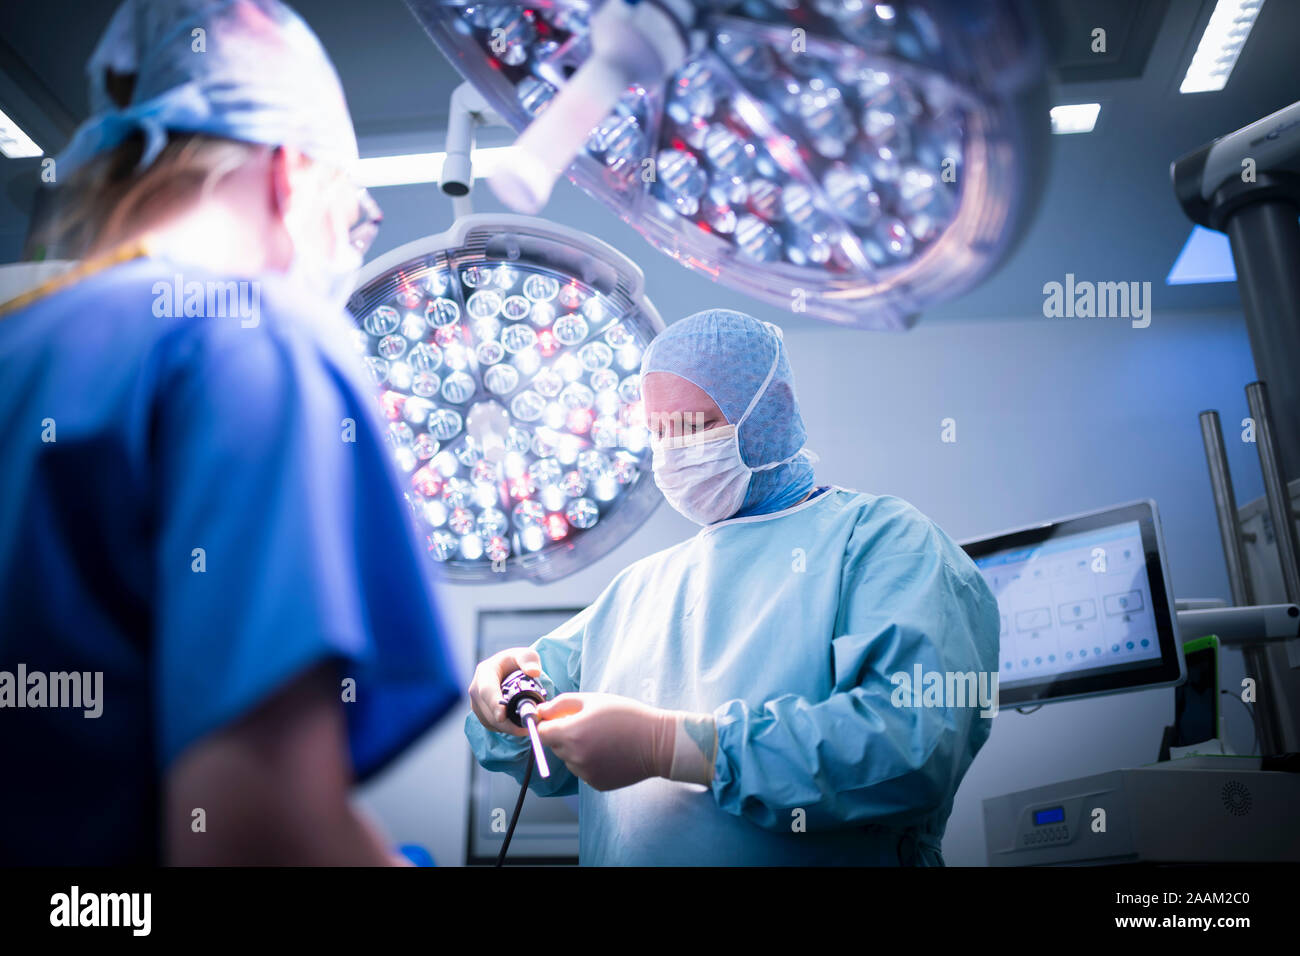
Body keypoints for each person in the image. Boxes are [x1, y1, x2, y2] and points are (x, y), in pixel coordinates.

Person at [0, 0, 458, 865]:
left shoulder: (22, 340)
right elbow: (253, 830)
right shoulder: (249, 334)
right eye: (351, 217)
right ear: (290, 174)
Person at [467, 308, 1000, 865]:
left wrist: (676, 749)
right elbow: (518, 738)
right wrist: (499, 701)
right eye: (657, 432)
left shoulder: (881, 543)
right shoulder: (636, 592)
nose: (672, 452)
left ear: (772, 414)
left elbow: (912, 747)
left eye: (692, 428)